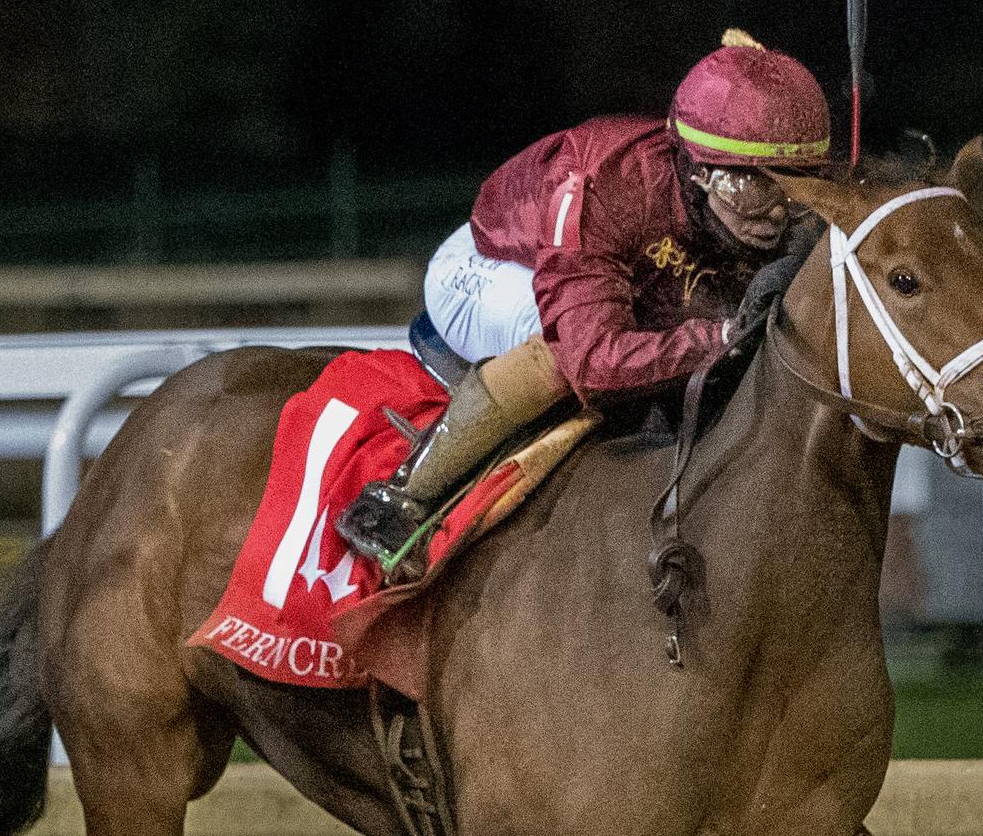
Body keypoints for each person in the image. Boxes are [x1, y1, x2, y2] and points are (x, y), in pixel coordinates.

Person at [336, 29, 831, 569]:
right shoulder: (605, 186)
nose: (777, 214)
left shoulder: (750, 205)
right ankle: (397, 501)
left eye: (796, 187)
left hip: (631, 277)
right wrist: (719, 337)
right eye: (752, 188)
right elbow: (592, 361)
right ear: (697, 170)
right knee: (566, 356)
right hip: (493, 267)